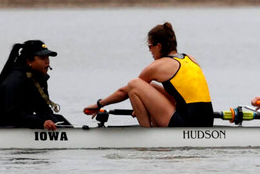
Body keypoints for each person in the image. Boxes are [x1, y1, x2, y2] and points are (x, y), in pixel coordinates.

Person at [82, 22, 214, 127]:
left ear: (159, 46)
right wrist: (142, 106)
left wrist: (99, 104)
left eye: (150, 46)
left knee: (135, 84)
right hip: (208, 120)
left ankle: (147, 135)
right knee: (150, 86)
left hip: (185, 123)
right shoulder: (191, 59)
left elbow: (128, 90)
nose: (149, 50)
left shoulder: (158, 66)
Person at [0, 40, 71, 129]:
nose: (47, 62)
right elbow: (14, 113)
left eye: (47, 58)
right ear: (29, 61)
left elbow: (42, 109)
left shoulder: (38, 79)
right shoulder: (15, 80)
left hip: (19, 118)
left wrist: (51, 122)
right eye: (42, 58)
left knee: (58, 118)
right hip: (0, 122)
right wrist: (41, 123)